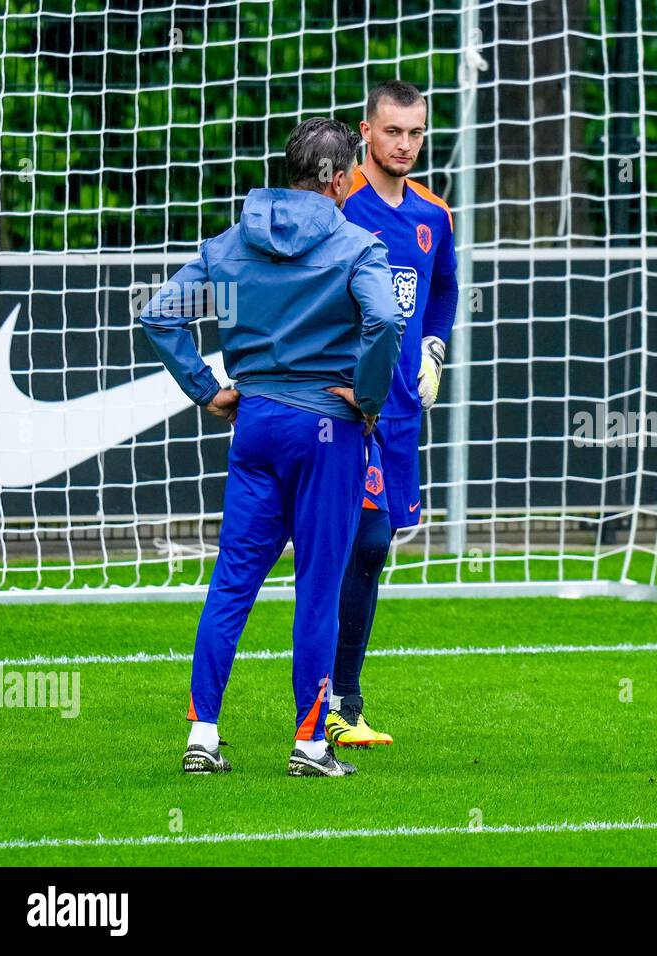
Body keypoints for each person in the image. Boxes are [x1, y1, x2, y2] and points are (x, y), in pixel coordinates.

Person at [139, 118, 405, 777]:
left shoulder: (230, 244)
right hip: (327, 432)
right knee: (318, 587)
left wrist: (208, 390)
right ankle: (310, 746)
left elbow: (158, 313)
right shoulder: (356, 244)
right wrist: (367, 401)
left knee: (232, 582)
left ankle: (202, 736)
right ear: (341, 179)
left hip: (255, 421)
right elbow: (386, 320)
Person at [324, 80, 458, 748]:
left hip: (401, 411)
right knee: (362, 542)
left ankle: (335, 700)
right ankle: (336, 700)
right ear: (366, 131)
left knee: (370, 554)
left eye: (415, 133)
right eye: (393, 131)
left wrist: (433, 351)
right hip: (339, 408)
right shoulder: (337, 202)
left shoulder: (435, 215)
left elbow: (443, 294)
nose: (405, 145)